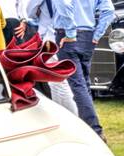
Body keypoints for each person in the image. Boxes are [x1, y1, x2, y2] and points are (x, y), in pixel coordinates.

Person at [33, 0, 112, 138]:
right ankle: (90, 128)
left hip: (68, 35)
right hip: (88, 34)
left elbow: (63, 4)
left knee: (78, 86)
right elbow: (109, 10)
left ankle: (95, 131)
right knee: (84, 85)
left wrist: (70, 33)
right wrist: (98, 34)